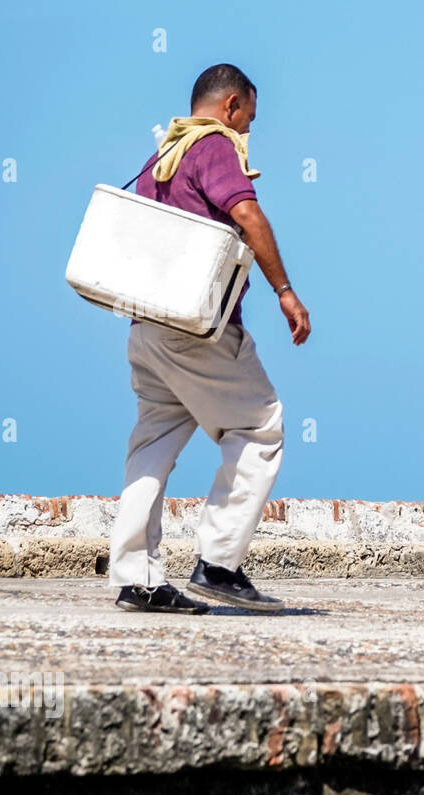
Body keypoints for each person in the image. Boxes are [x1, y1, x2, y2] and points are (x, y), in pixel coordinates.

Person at [108, 64, 311, 614]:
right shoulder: (215, 145)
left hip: (145, 325)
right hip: (195, 329)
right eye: (248, 116)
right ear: (231, 105)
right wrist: (285, 291)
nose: (247, 130)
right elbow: (247, 214)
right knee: (260, 425)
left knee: (152, 442)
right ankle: (219, 563)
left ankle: (136, 576)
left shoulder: (159, 158)